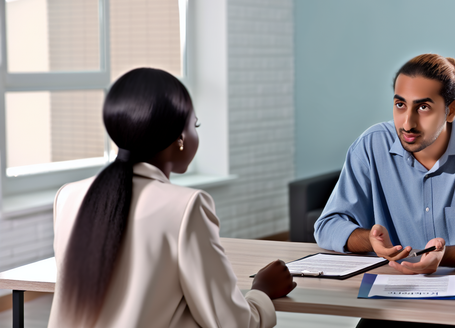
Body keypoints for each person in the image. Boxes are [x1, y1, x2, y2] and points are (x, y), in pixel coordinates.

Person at [48, 68, 295, 328]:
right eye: (195, 124)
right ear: (180, 137)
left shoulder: (68, 197)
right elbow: (230, 322)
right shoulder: (187, 206)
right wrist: (261, 292)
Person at [314, 53, 455, 275]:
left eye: (423, 107)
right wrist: (370, 240)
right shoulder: (370, 145)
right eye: (400, 104)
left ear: (451, 110)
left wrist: (445, 255)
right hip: (389, 294)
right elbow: (328, 225)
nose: (407, 123)